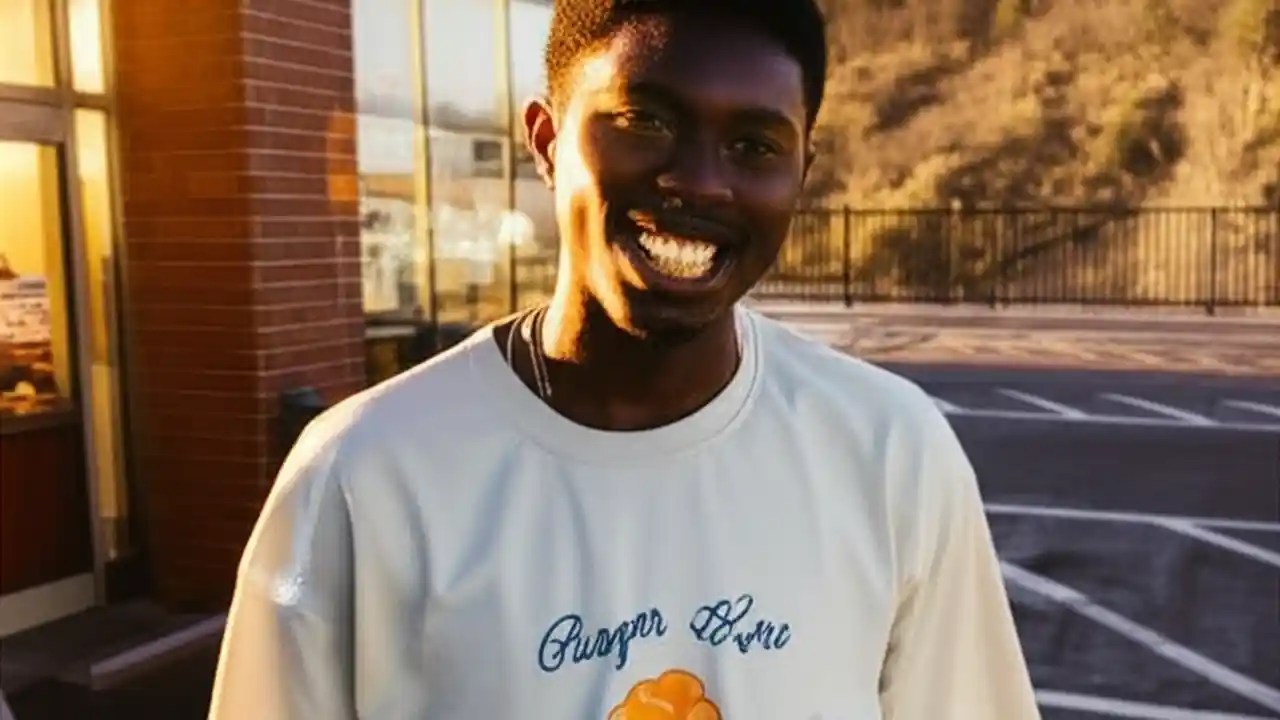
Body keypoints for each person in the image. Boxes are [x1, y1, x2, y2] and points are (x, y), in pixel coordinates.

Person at [208, 0, 1041, 717]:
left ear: (803, 172)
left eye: (756, 146)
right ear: (545, 139)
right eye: (646, 121)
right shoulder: (366, 474)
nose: (703, 184)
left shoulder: (890, 453)